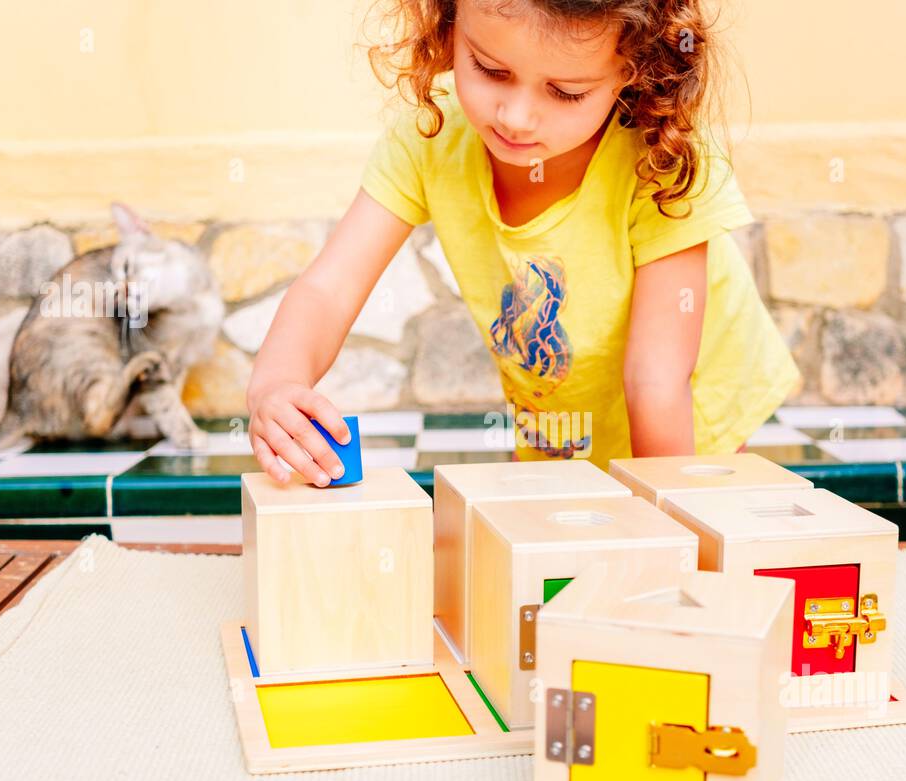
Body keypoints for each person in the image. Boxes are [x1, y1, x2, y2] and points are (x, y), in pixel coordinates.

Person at [247, 0, 799, 484]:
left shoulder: (663, 159)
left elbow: (656, 379)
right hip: (558, 426)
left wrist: (669, 525)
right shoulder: (431, 136)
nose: (514, 116)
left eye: (566, 92)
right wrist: (275, 383)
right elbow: (329, 288)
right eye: (489, 69)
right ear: (449, 21)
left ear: (634, 71)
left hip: (688, 417)